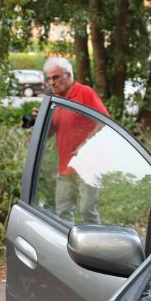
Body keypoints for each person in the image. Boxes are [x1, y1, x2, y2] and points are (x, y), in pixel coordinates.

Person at [43, 56, 109, 224]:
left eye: (55, 77)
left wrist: (85, 144)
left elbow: (104, 121)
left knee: (87, 210)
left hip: (89, 165)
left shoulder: (84, 92)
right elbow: (50, 132)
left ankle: (95, 241)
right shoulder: (56, 100)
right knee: (63, 212)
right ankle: (66, 241)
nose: (52, 82)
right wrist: (42, 121)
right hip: (66, 165)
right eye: (49, 78)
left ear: (68, 75)